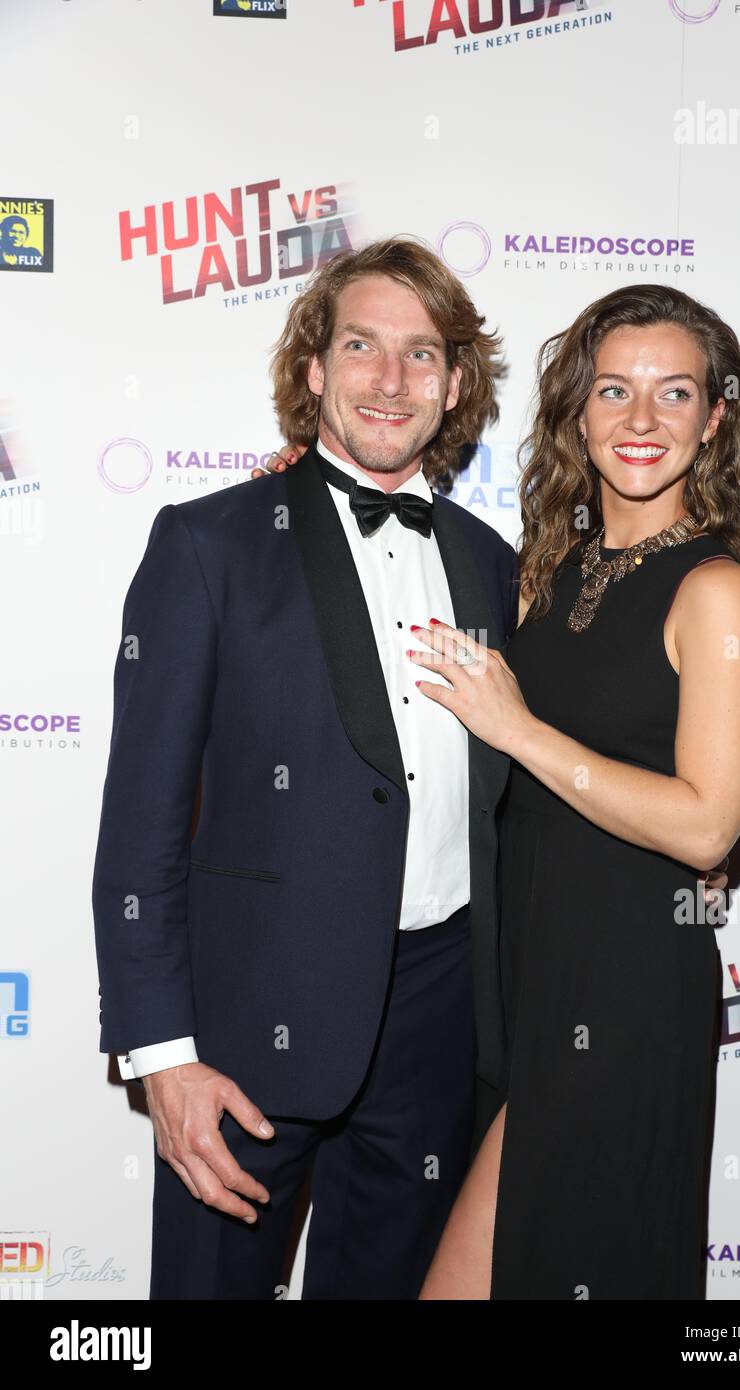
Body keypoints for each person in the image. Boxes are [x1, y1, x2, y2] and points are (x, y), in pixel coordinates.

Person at [92, 235, 521, 1299]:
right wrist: (163, 1058)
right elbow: (140, 818)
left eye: (421, 355)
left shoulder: (492, 565)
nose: (389, 379)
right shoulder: (209, 544)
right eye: (362, 346)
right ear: (315, 367)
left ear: (455, 383)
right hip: (244, 1033)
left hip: (437, 1026)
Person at [403, 284, 740, 1300]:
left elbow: (707, 820)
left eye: (671, 393)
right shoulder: (554, 566)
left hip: (624, 994)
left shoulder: (716, 590)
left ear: (713, 418)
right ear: (575, 413)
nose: (640, 420)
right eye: (613, 391)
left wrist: (520, 730)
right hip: (528, 980)